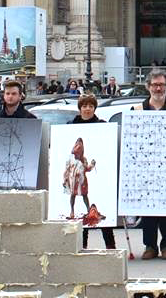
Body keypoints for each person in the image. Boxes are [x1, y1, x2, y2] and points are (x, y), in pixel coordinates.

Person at [131, 70, 166, 260]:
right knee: (148, 210)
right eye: (154, 85)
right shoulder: (137, 110)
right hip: (145, 170)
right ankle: (150, 246)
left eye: (161, 84)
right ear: (148, 86)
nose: (158, 88)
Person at [68, 94, 116, 249]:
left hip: (89, 179)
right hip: (74, 177)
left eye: (90, 106)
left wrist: (94, 164)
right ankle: (81, 246)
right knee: (75, 199)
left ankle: (110, 246)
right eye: (84, 106)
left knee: (101, 205)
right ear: (80, 108)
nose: (87, 109)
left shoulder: (102, 125)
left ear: (95, 108)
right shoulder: (70, 126)